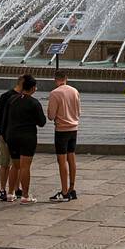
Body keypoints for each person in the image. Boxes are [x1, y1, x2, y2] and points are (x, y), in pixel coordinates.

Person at [5, 74, 45, 204]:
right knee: (25, 166)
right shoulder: (34, 103)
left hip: (12, 136)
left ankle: (10, 193)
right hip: (27, 137)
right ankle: (25, 196)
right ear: (33, 88)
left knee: (15, 166)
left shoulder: (12, 100)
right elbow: (42, 122)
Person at [46, 71, 81, 201]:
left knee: (62, 160)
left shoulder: (55, 93)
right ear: (66, 78)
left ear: (56, 80)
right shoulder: (74, 91)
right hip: (74, 128)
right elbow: (79, 111)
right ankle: (72, 189)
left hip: (61, 130)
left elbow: (51, 116)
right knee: (71, 157)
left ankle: (64, 191)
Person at [0, 76, 24, 201]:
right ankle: (2, 189)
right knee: (5, 163)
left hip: (18, 135)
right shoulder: (6, 96)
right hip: (6, 135)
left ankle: (16, 188)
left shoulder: (24, 97)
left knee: (17, 164)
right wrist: (1, 132)